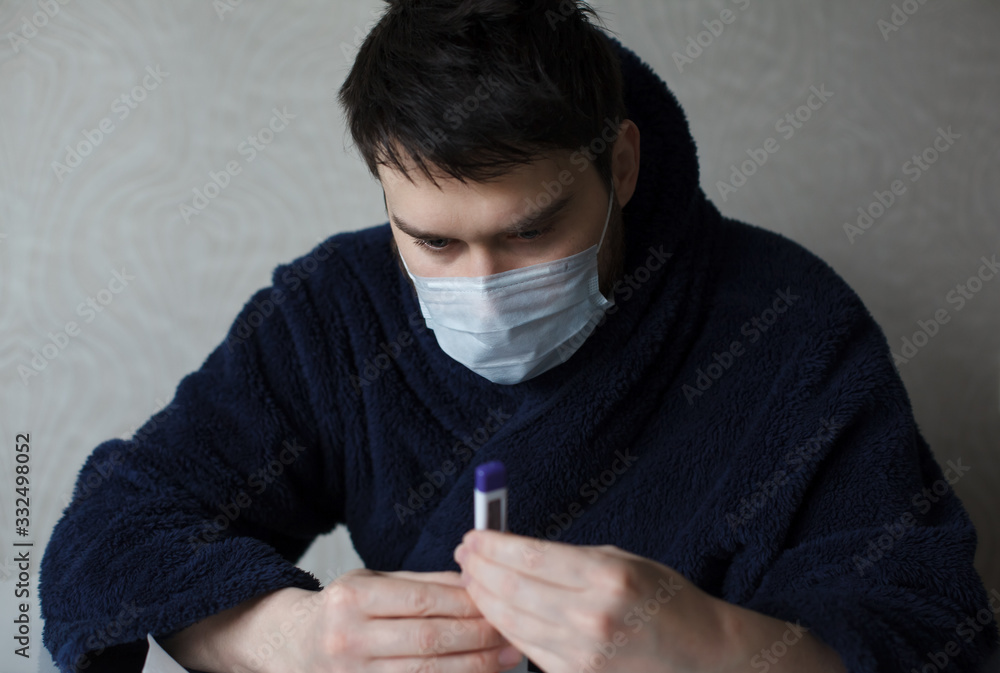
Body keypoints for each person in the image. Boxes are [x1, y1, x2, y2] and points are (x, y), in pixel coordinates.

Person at [40, 1, 999, 672]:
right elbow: (108, 540)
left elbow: (934, 633)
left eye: (532, 232)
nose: (485, 291)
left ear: (621, 165)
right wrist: (295, 639)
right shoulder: (337, 309)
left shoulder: (788, 324)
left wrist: (712, 648)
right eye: (434, 242)